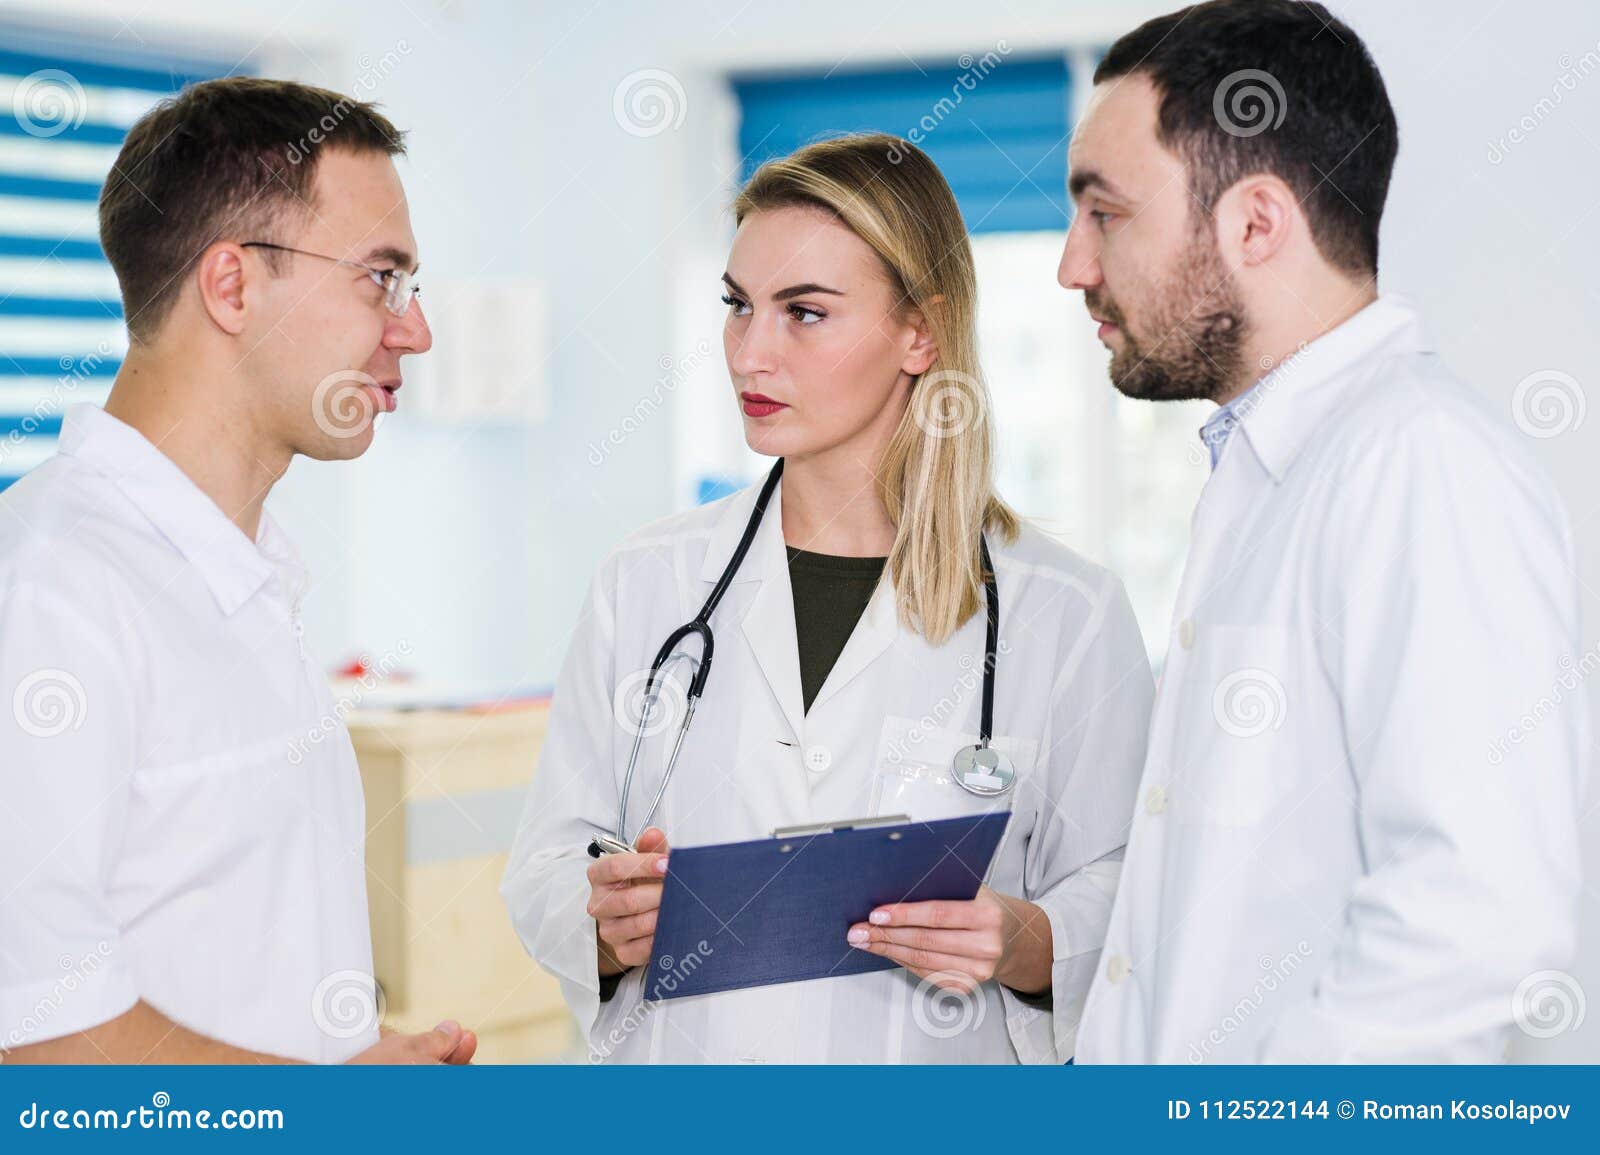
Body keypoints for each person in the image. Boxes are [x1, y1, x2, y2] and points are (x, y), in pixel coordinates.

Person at [502, 133, 1154, 1063]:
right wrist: (602, 917)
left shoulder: (1066, 610)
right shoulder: (646, 583)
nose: (748, 353)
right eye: (738, 306)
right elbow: (544, 867)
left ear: (919, 331)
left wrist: (1026, 938)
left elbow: (1130, 886)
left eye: (804, 312)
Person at [1062, 0, 1586, 1062]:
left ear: (1255, 224)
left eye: (1103, 214)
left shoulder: (1418, 466)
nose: (1072, 266)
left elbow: (1479, 919)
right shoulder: (1270, 473)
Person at [0, 78, 475, 1065]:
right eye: (381, 278)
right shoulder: (46, 595)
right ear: (232, 288)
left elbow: (218, 967)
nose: (414, 330)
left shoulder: (248, 581)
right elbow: (38, 1047)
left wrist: (355, 1066)